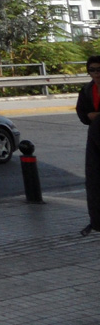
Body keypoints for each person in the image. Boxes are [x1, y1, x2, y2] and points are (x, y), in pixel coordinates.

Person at [76, 55, 100, 236]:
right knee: (94, 179)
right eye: (92, 70)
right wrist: (90, 116)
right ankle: (97, 221)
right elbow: (83, 113)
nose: (96, 74)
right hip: (96, 137)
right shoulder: (87, 90)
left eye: (99, 70)